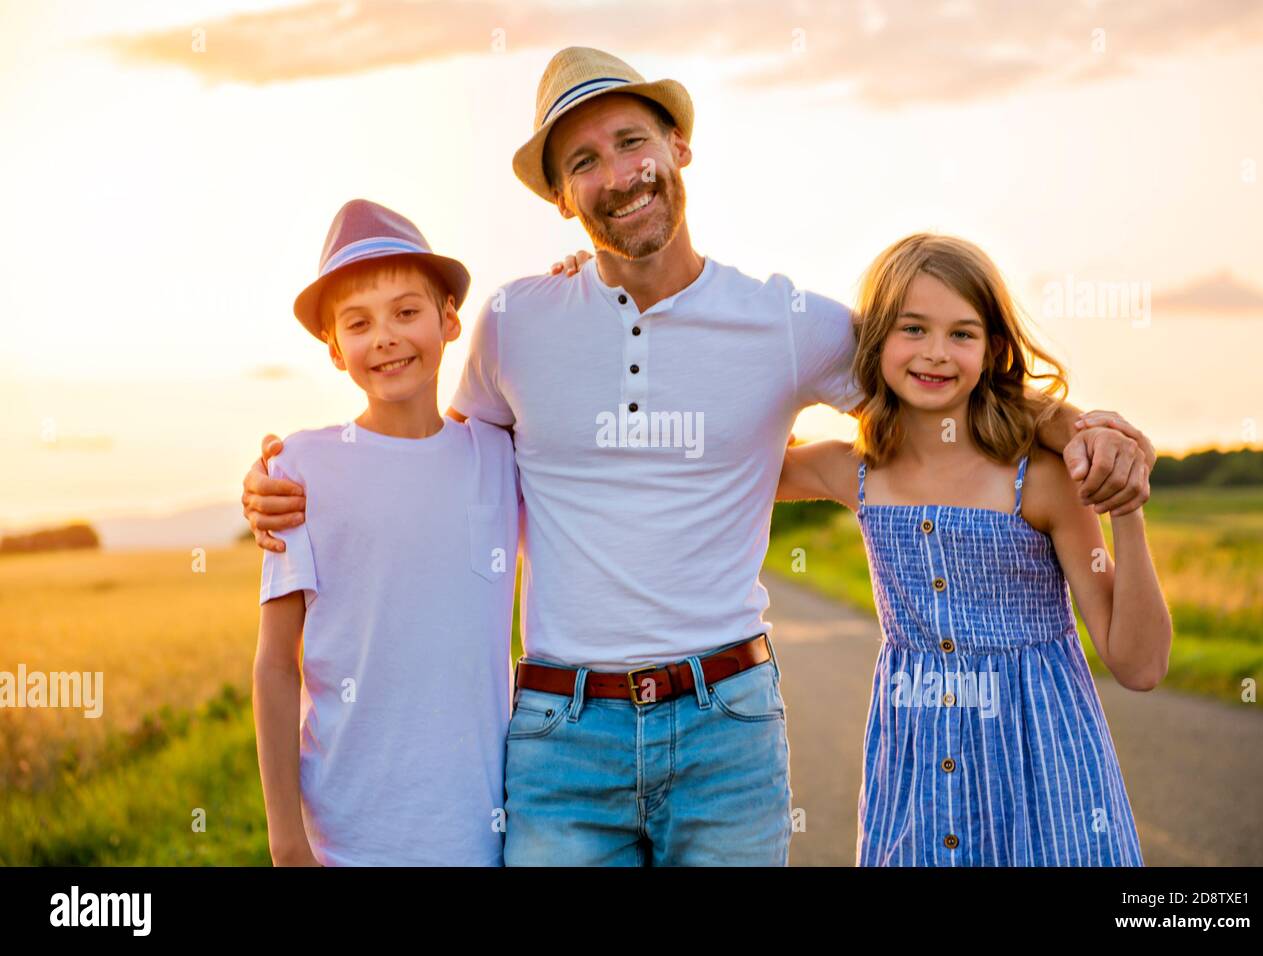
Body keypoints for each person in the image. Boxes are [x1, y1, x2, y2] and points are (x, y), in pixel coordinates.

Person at [243, 48, 1156, 867]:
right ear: (562, 200)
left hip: (727, 726)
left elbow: (941, 374)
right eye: (583, 163)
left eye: (632, 143)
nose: (617, 175)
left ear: (680, 148)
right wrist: (293, 484)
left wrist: (1086, 429)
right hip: (561, 737)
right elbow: (444, 462)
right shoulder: (514, 324)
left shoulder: (785, 324)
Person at [778, 233, 1172, 865]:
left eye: (962, 334)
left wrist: (1127, 509)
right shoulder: (849, 470)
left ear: (992, 350)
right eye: (912, 328)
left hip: (1045, 778)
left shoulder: (1042, 482)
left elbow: (1140, 666)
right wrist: (599, 286)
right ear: (875, 340)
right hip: (915, 788)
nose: (936, 353)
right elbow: (725, 455)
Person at [252, 199, 519, 866]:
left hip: (480, 831)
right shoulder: (299, 469)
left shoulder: (500, 454)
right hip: (347, 838)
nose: (387, 337)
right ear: (335, 349)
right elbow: (274, 663)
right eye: (359, 324)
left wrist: (577, 280)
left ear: (449, 320)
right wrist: (286, 841)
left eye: (407, 312)